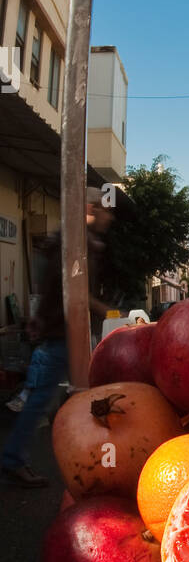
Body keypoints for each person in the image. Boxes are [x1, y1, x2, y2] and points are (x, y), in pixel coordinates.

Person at [1, 188, 113, 488]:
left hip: (59, 332)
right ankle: (14, 460)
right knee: (53, 399)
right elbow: (74, 291)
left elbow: (51, 285)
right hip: (64, 334)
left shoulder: (66, 241)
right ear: (90, 208)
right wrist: (107, 310)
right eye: (105, 210)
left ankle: (77, 454)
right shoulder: (75, 243)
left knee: (62, 398)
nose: (109, 216)